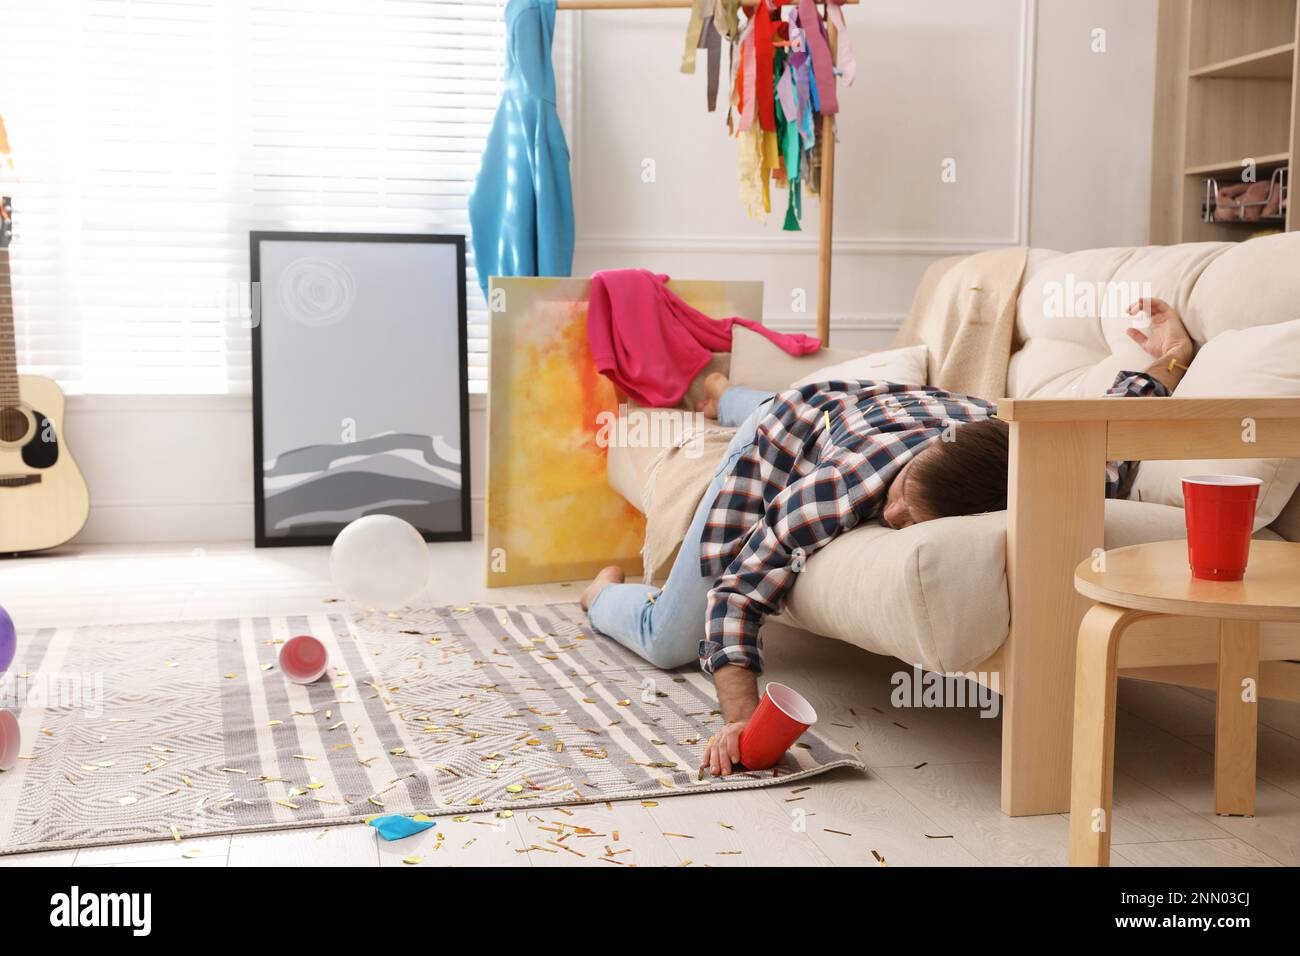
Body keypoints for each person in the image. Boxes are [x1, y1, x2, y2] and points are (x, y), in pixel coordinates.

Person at [581, 298, 1195, 776]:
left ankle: (724, 396)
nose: (894, 517)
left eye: (909, 520)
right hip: (800, 422)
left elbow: (1109, 433)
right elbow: (739, 591)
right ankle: (600, 595)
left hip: (883, 408)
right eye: (899, 497)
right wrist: (741, 718)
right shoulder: (843, 485)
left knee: (800, 401)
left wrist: (1172, 356)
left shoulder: (1043, 469)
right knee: (668, 638)